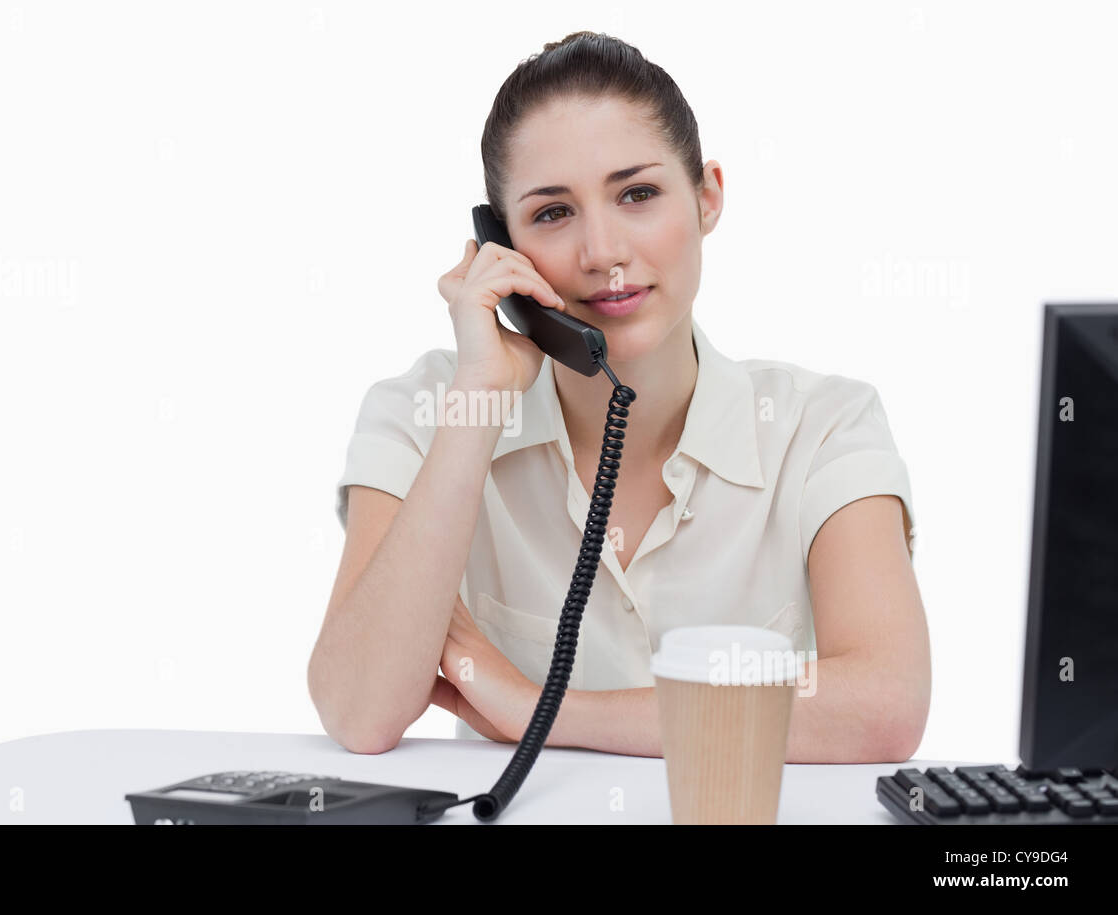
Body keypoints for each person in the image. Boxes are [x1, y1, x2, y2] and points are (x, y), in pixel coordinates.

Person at [308, 31, 930, 762]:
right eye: (552, 213)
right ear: (497, 248)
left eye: (637, 194)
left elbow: (883, 703)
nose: (601, 252)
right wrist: (478, 399)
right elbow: (360, 711)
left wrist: (540, 710)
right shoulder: (424, 414)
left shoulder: (825, 427)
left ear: (707, 198)